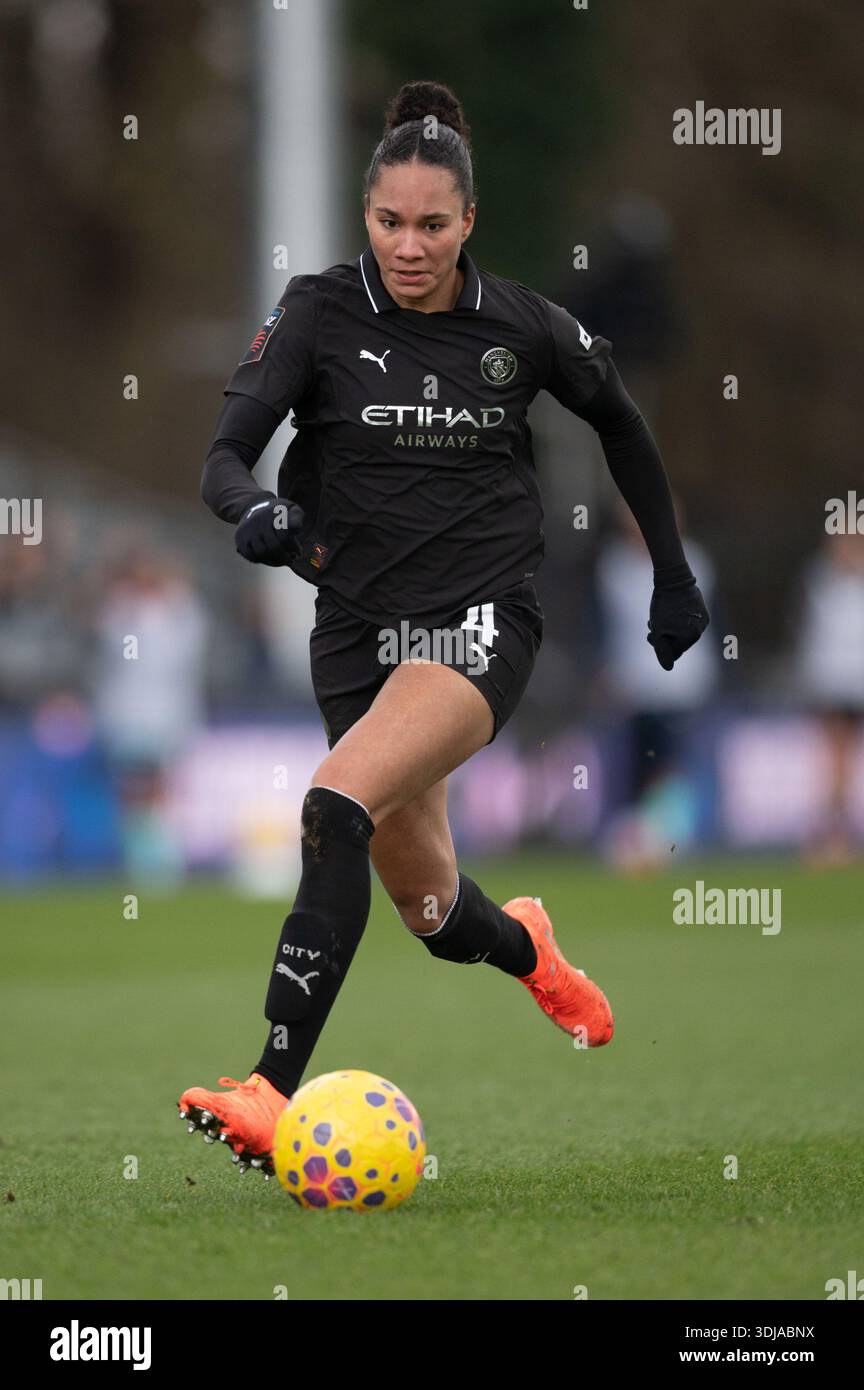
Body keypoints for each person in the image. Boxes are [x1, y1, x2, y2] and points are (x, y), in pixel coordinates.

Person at [178, 80, 709, 1176]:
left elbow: (622, 422)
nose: (407, 245)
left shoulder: (523, 325)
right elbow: (224, 461)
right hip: (352, 632)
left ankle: (272, 1087)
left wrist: (671, 573)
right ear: (362, 216)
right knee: (430, 912)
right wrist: (258, 511)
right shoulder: (318, 313)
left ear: (468, 220)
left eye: (431, 224)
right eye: (388, 222)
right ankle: (528, 948)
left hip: (478, 624)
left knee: (332, 802)